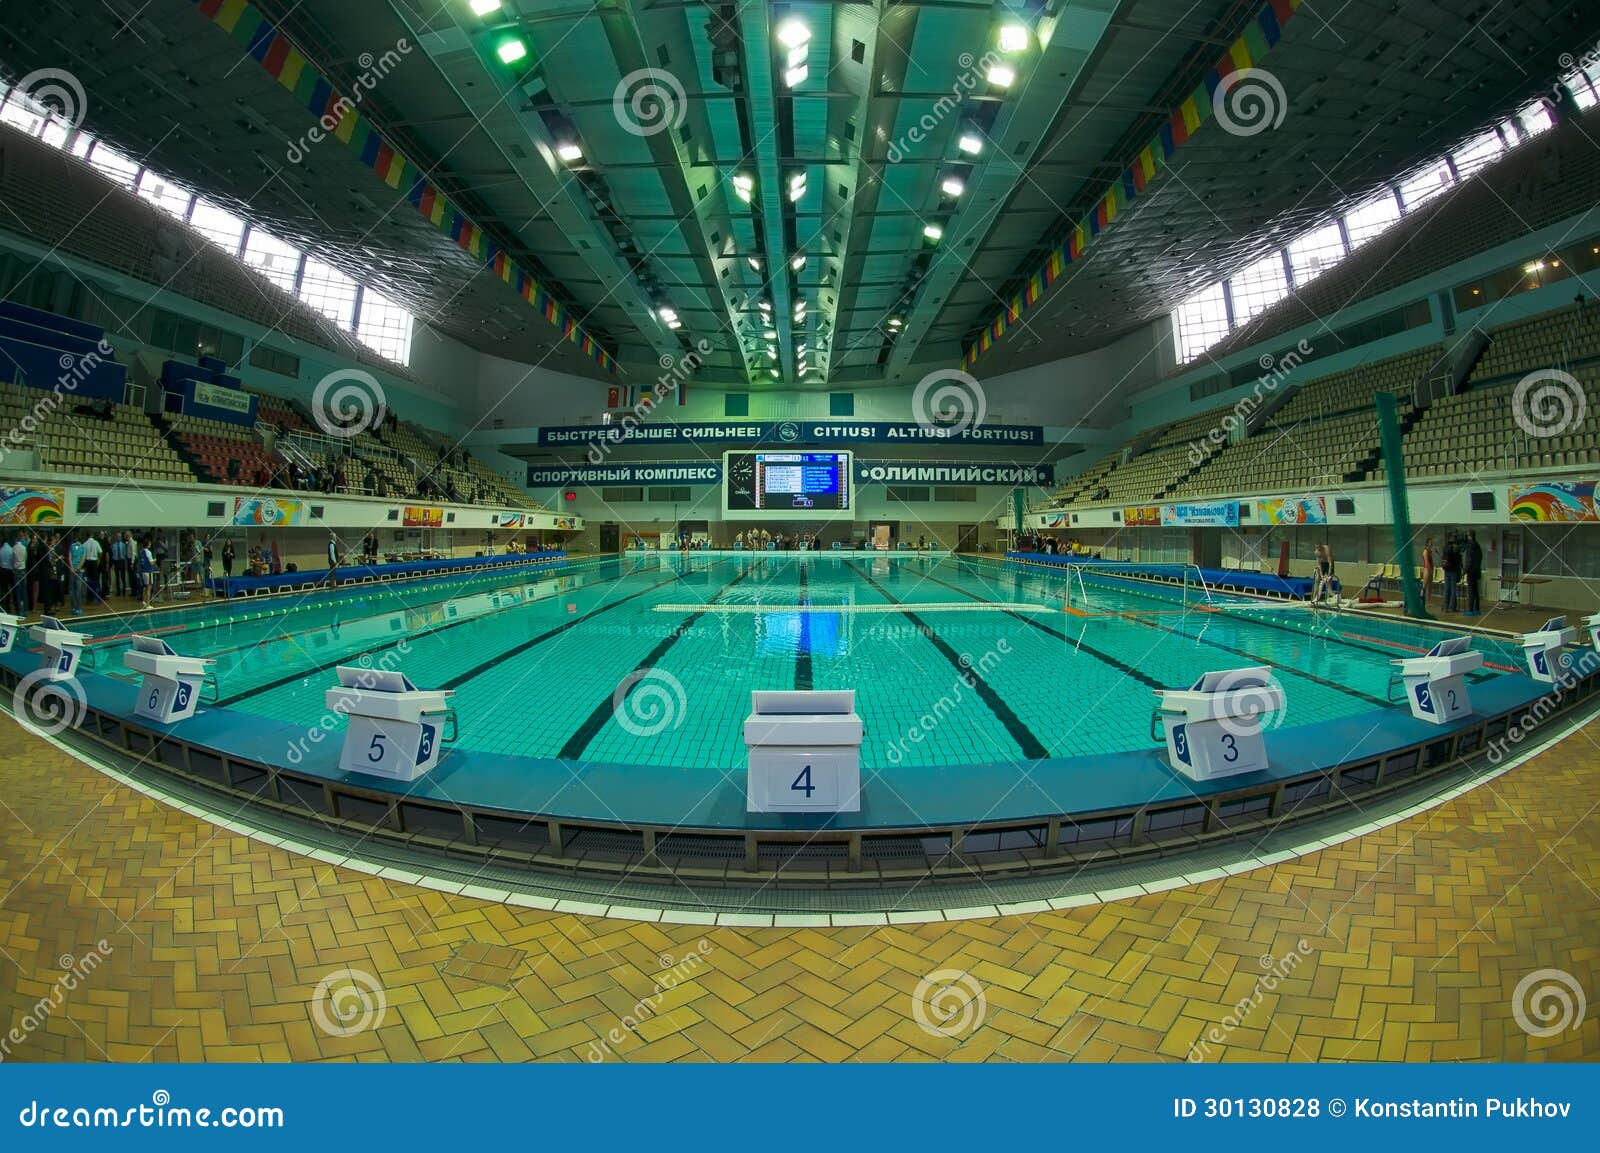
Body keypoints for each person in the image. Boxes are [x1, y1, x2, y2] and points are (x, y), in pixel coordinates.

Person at [1463, 530, 1484, 616]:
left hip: (1471, 572)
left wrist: (1465, 570)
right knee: (1476, 591)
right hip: (1477, 571)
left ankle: (1470, 610)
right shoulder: (1477, 545)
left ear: (1469, 536)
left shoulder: (1470, 545)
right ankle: (1477, 609)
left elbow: (1469, 560)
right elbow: (1480, 558)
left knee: (1471, 591)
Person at [1441, 532, 1462, 613]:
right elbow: (1458, 559)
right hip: (1453, 570)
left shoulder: (1445, 547)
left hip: (1447, 569)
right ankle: (1452, 607)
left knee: (1446, 589)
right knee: (1453, 590)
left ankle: (1446, 607)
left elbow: (1444, 557)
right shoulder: (1455, 547)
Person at [136, 537, 155, 608]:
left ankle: (143, 601)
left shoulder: (141, 552)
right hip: (148, 571)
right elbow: (151, 562)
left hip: (143, 571)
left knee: (145, 587)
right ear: (148, 544)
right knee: (149, 588)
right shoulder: (148, 552)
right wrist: (155, 560)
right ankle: (148, 604)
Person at [1421, 537, 1435, 605]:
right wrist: (1430, 570)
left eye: (1432, 543)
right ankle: (1421, 600)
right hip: (1427, 569)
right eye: (1430, 543)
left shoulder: (1430, 551)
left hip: (1431, 568)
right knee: (1424, 586)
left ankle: (1428, 602)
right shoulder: (1425, 551)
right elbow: (1427, 562)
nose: (1432, 544)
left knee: (1430, 587)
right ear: (1427, 543)